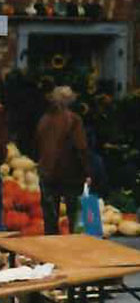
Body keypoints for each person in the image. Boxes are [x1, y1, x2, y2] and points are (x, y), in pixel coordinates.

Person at [31, 86, 89, 236]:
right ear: (70, 101)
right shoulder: (74, 120)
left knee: (50, 218)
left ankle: (51, 251)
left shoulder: (44, 120)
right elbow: (80, 147)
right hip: (70, 172)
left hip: (46, 171)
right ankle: (74, 249)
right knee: (73, 214)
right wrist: (87, 171)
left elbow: (36, 145)